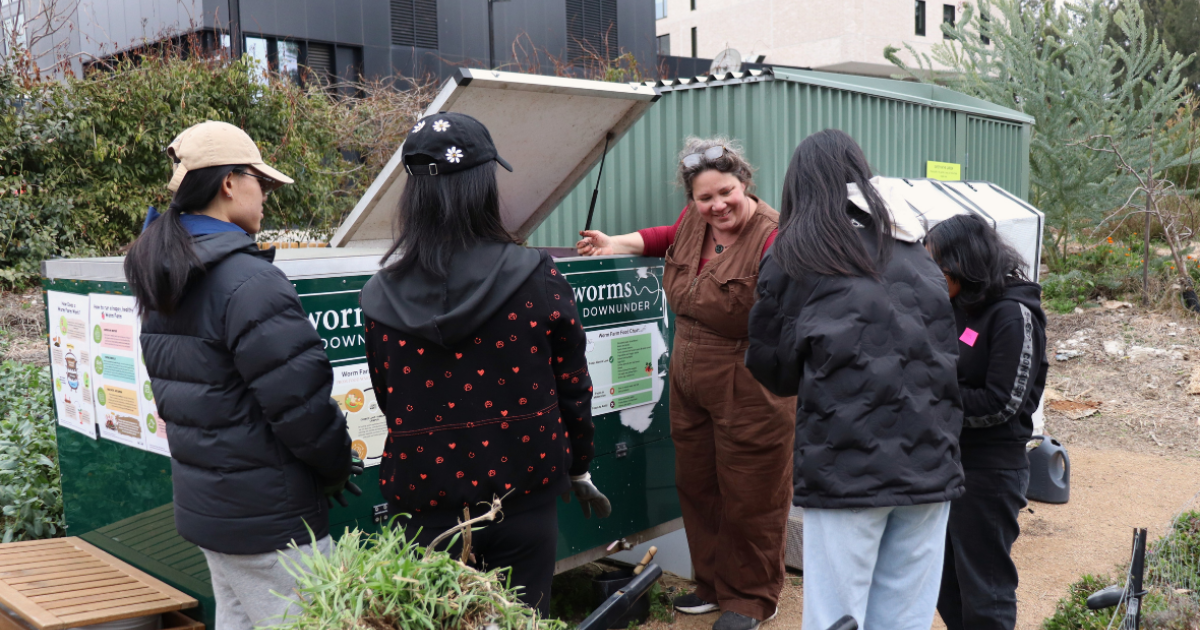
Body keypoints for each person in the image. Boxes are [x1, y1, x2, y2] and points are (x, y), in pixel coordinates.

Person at [359, 112, 609, 617]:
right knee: (522, 619)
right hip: (523, 494)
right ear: (481, 187)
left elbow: (391, 401)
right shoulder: (536, 276)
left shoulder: (377, 296)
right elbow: (573, 388)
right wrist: (578, 465)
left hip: (426, 508)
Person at [125, 121, 359, 630]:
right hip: (271, 521)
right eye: (262, 182)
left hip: (212, 512)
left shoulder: (164, 270)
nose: (266, 196)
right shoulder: (248, 280)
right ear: (229, 182)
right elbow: (303, 408)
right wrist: (339, 465)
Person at [744, 129, 965, 630]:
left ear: (798, 186)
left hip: (847, 464)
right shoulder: (914, 252)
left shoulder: (795, 255)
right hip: (931, 460)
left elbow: (772, 369)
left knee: (836, 616)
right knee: (905, 616)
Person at [577, 137, 794, 630]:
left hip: (750, 382)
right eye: (705, 198)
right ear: (691, 200)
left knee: (752, 493)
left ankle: (753, 598)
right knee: (697, 485)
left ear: (746, 184)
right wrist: (615, 243)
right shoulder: (693, 221)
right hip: (688, 376)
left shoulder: (775, 237)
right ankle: (713, 585)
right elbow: (662, 237)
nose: (717, 206)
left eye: (726, 192)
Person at [925, 213, 1048, 630]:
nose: (931, 276)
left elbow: (1003, 402)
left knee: (986, 589)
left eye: (937, 266)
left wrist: (933, 404)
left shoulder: (1013, 314)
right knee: (944, 581)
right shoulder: (958, 307)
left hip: (990, 472)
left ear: (965, 262)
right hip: (949, 463)